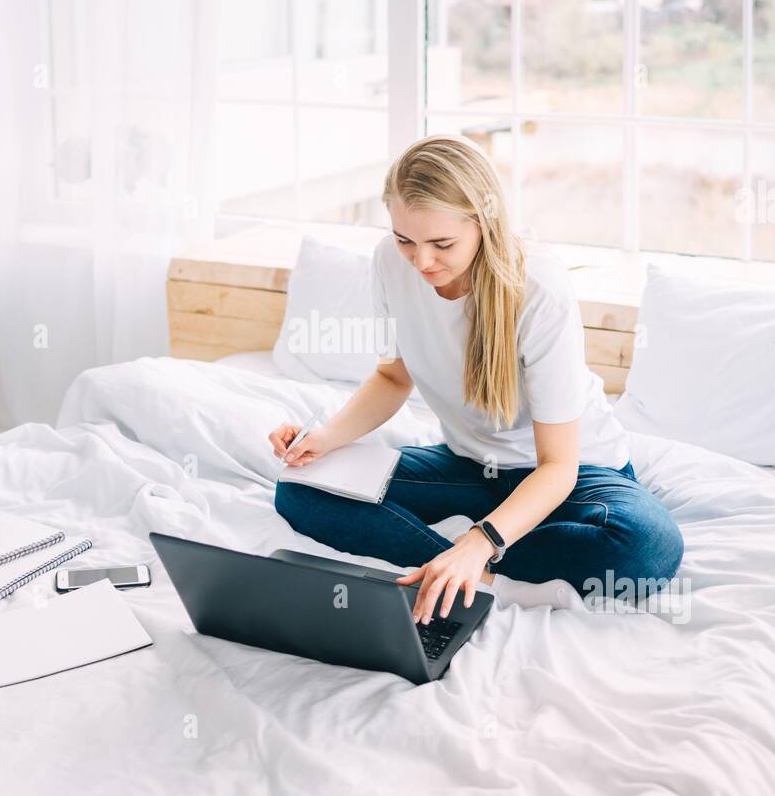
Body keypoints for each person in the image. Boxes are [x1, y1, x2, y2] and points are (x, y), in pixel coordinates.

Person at [270, 135, 684, 625]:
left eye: (442, 244)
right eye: (405, 239)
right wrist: (324, 438)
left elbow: (557, 467)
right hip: (471, 469)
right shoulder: (388, 262)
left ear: (483, 226)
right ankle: (456, 562)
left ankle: (479, 567)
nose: (421, 261)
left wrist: (482, 542)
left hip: (569, 474)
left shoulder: (539, 288)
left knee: (646, 549)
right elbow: (392, 376)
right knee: (300, 490)